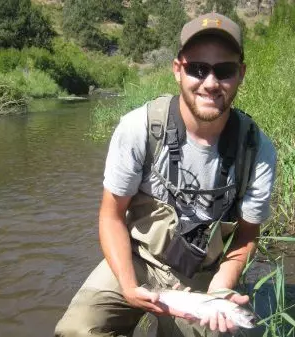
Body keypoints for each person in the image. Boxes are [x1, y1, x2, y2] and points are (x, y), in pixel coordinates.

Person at [55, 12, 276, 337]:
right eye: (197, 69)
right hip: (137, 259)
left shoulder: (257, 150)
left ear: (240, 74)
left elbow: (246, 236)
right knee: (77, 329)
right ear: (177, 70)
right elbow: (111, 216)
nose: (211, 82)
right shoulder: (139, 128)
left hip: (202, 274)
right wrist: (129, 287)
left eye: (224, 70)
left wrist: (220, 289)